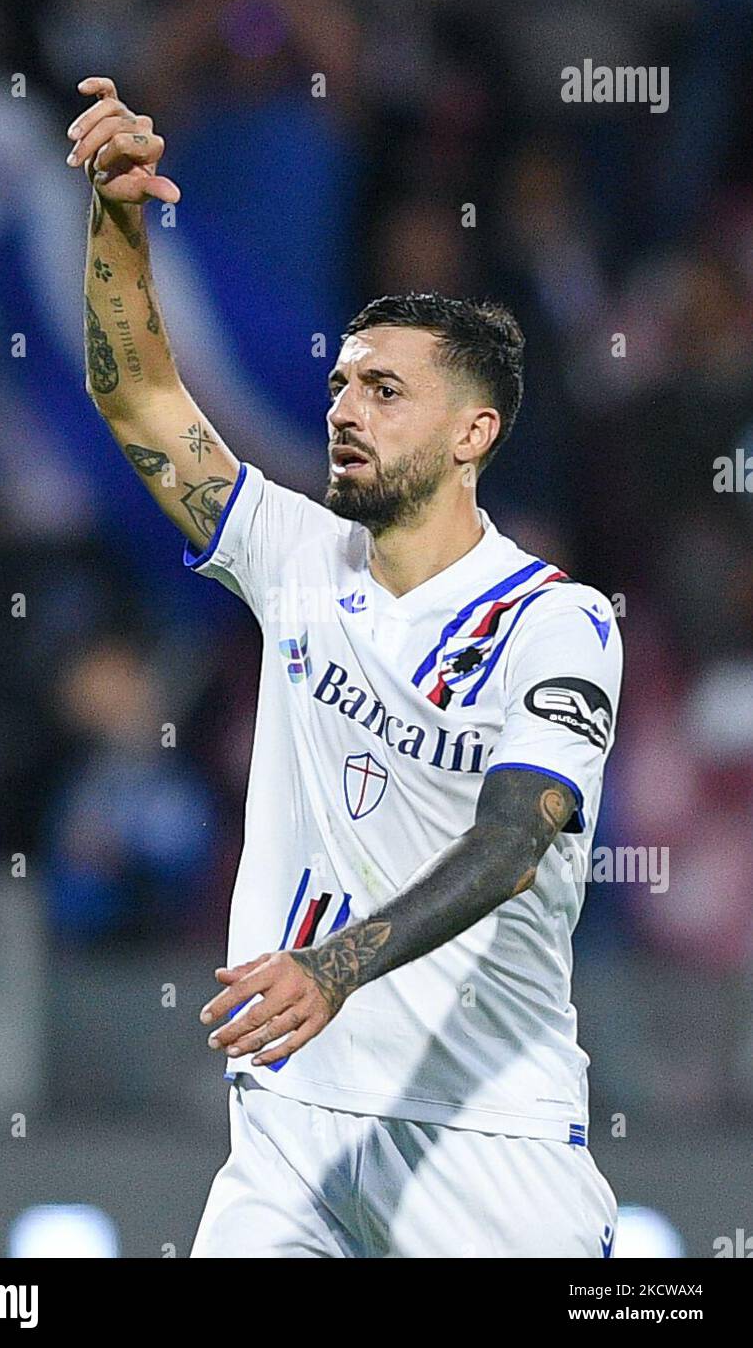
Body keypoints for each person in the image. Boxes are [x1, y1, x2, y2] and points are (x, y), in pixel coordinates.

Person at [67, 76, 622, 1259]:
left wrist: (337, 962)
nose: (343, 410)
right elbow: (137, 394)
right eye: (338, 385)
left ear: (472, 432)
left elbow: (514, 838)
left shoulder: (552, 622)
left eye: (382, 389)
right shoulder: (293, 555)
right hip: (290, 1129)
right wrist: (118, 218)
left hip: (483, 1137)